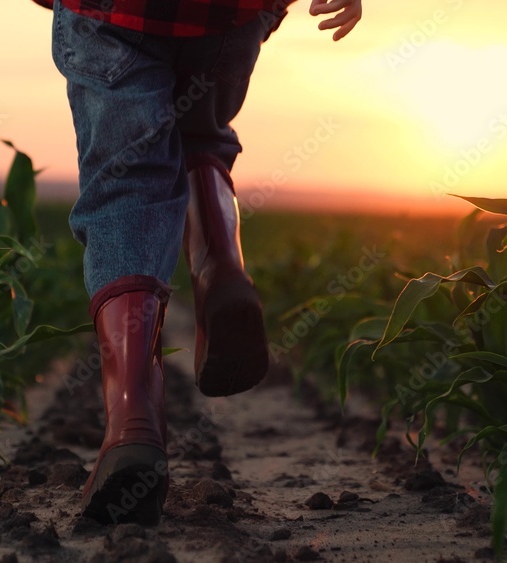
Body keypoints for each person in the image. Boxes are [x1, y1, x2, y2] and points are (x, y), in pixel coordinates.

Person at [32, 0, 363, 525]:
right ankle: (221, 268)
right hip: (227, 19)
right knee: (202, 139)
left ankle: (132, 421)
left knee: (127, 184)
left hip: (113, 14)